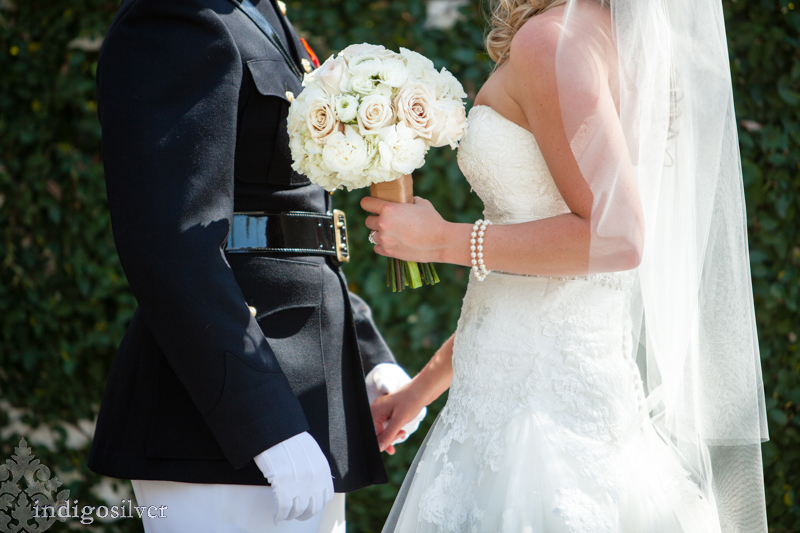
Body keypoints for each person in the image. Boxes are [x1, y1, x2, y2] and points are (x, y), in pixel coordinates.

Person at [363, 0, 770, 531]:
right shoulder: (610, 40)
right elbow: (541, 283)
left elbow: (616, 238)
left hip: (540, 428)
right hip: (539, 391)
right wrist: (423, 387)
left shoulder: (554, 39)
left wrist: (443, 241)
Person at [87, 0, 424, 531]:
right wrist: (264, 422)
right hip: (221, 417)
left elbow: (292, 218)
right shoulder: (175, 19)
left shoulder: (261, 11)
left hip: (308, 394)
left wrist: (367, 356)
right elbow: (173, 243)